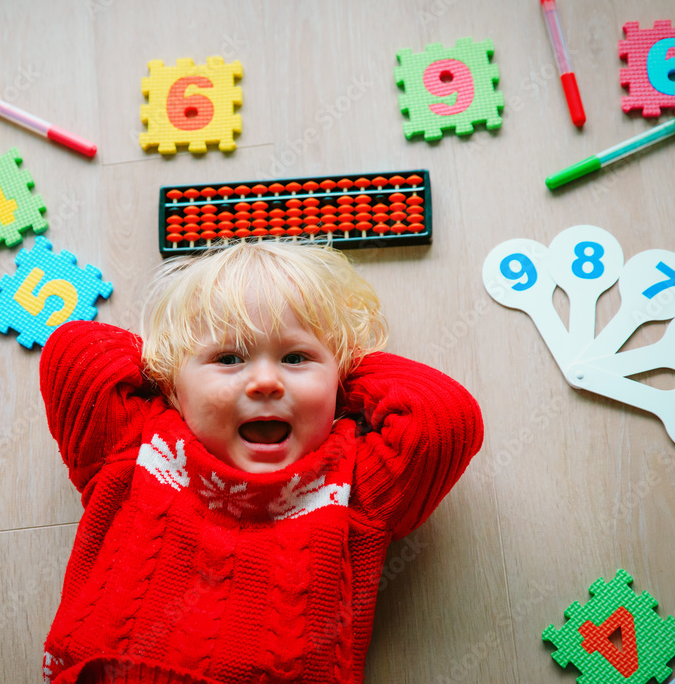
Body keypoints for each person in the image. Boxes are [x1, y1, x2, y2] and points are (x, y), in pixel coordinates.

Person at [39, 239, 483, 684]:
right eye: (228, 358)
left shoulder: (355, 480)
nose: (266, 381)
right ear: (172, 383)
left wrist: (342, 370)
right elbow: (74, 350)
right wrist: (168, 366)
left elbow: (445, 418)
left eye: (295, 358)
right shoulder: (136, 443)